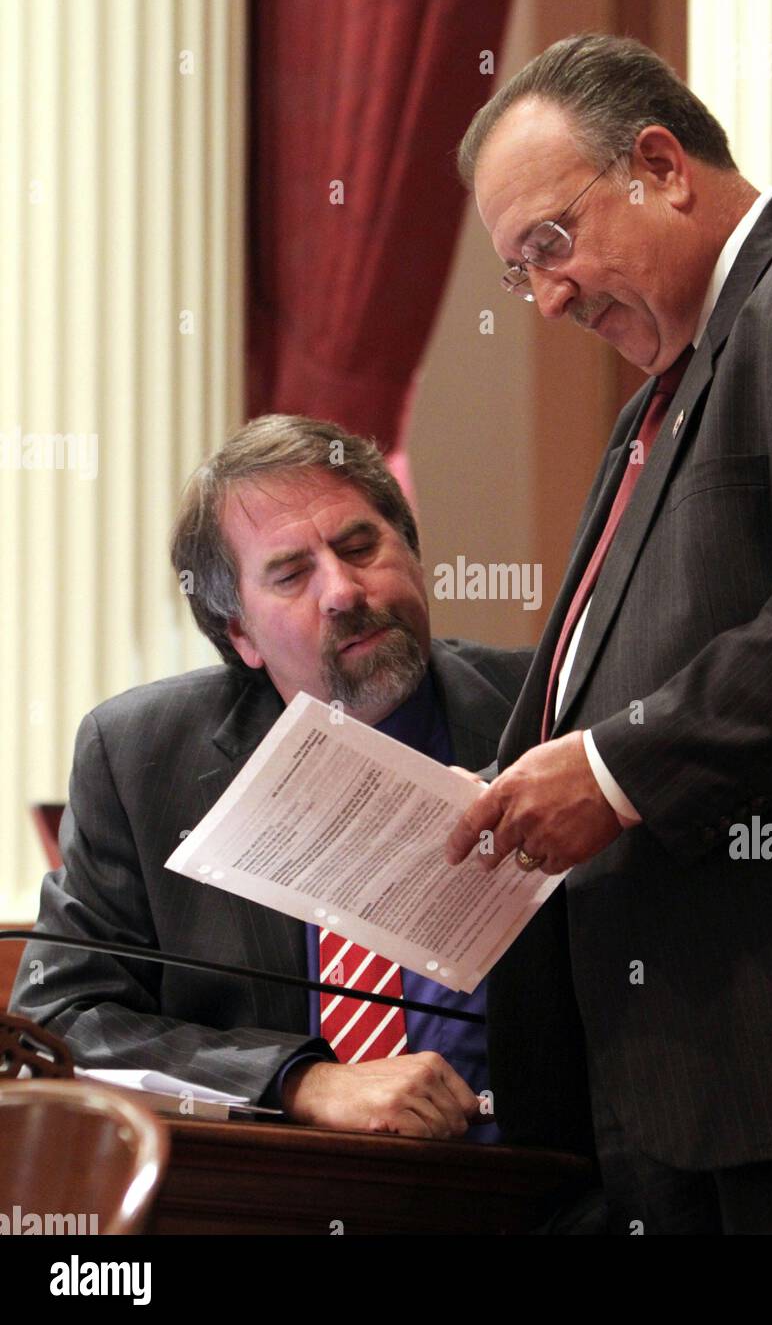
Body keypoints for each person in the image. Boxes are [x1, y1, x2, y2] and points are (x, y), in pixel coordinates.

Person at [446, 33, 772, 1230]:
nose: (547, 298)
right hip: (668, 1092)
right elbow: (599, 690)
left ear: (658, 167)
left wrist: (612, 772)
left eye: (550, 243)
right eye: (518, 273)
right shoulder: (650, 407)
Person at [13, 416, 531, 1141]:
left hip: (531, 1196)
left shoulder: (545, 710)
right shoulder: (140, 757)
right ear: (240, 635)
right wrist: (296, 1080)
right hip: (276, 1192)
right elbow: (60, 1019)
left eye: (361, 547)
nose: (344, 591)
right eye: (291, 575)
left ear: (413, 553)